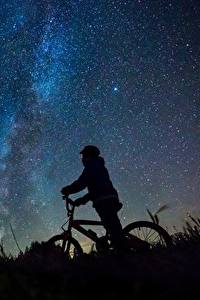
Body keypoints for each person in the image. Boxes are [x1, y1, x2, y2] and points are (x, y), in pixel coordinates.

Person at [61, 145, 124, 250]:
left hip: (105, 199)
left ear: (88, 155)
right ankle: (118, 249)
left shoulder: (92, 166)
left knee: (113, 228)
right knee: (111, 226)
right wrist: (81, 200)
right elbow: (95, 190)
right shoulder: (98, 165)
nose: (82, 158)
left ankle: (124, 253)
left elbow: (82, 182)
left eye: (83, 155)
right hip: (106, 197)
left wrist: (68, 189)